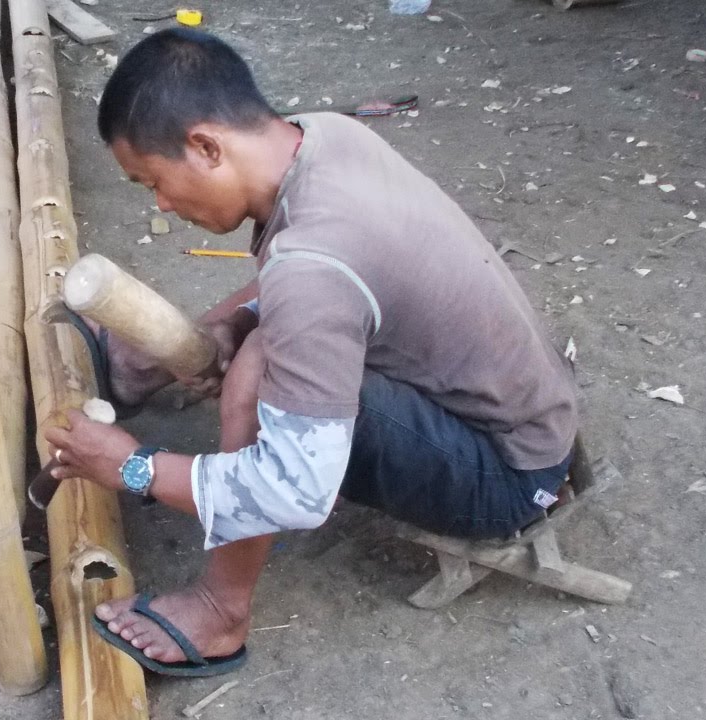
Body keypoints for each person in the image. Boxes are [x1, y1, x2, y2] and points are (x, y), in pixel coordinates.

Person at [43, 28, 578, 678]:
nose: (159, 203)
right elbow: (320, 276)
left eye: (153, 181)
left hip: (511, 477)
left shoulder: (312, 269)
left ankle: (221, 610)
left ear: (207, 146)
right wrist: (224, 324)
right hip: (530, 410)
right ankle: (144, 366)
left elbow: (297, 489)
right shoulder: (323, 136)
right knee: (260, 332)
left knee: (256, 377)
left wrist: (134, 467)